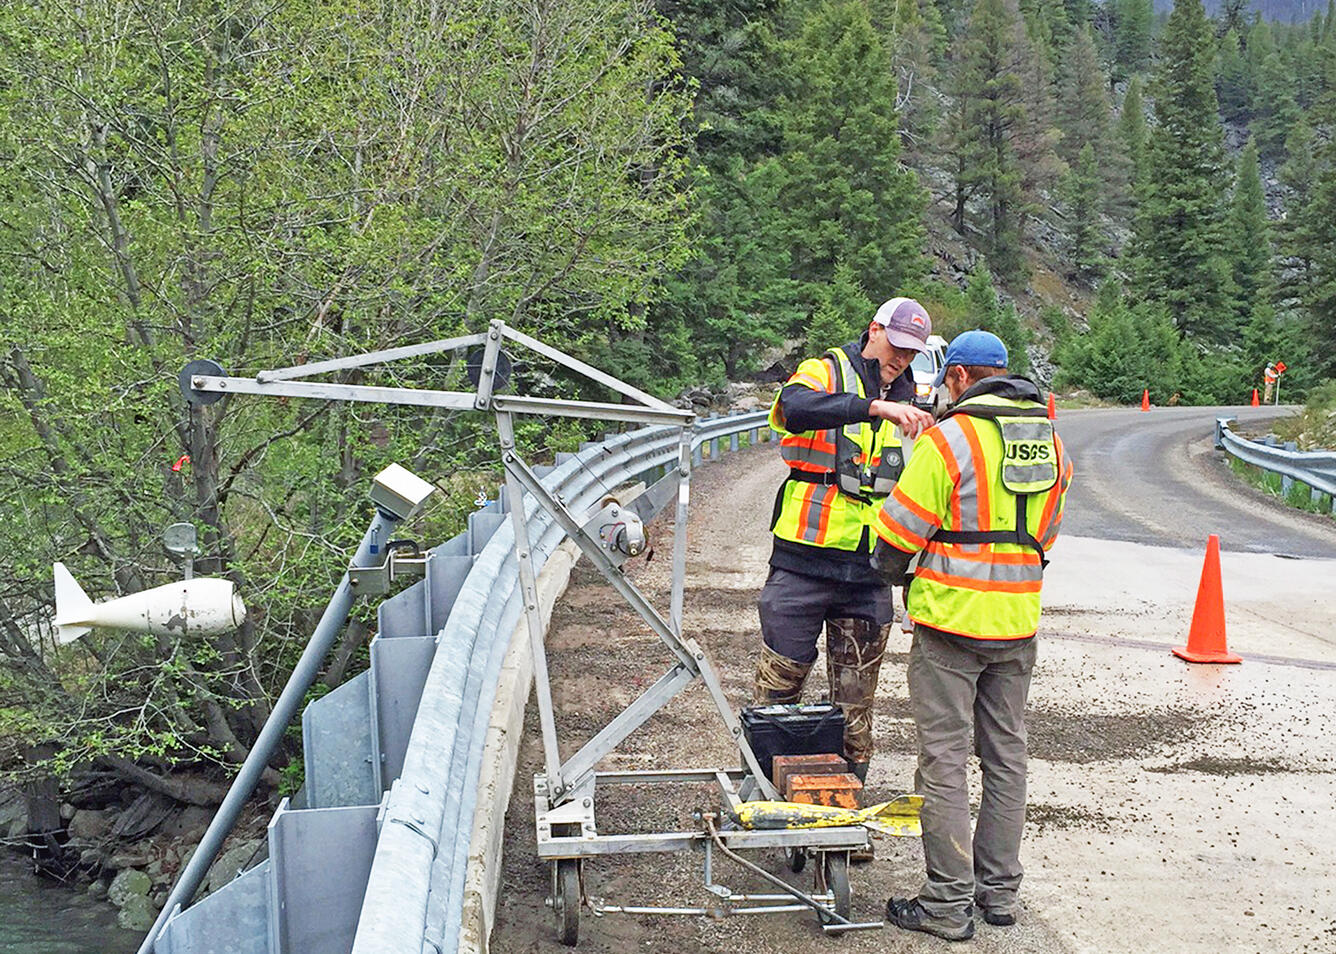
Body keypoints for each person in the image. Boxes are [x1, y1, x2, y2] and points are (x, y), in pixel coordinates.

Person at [870, 330, 1073, 941]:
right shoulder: (1052, 442)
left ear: (957, 377)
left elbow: (900, 530)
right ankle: (999, 894)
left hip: (952, 622)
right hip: (1017, 621)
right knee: (1006, 757)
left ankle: (946, 903)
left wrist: (892, 572)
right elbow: (1050, 530)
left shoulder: (948, 439)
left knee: (945, 760)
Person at [754, 298, 936, 782]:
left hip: (867, 574)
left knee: (855, 709)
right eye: (896, 346)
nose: (901, 359)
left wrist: (912, 577)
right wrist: (873, 406)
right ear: (874, 330)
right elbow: (792, 407)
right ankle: (763, 795)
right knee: (778, 691)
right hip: (802, 565)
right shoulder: (826, 370)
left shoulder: (914, 396)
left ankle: (844, 808)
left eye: (911, 352)